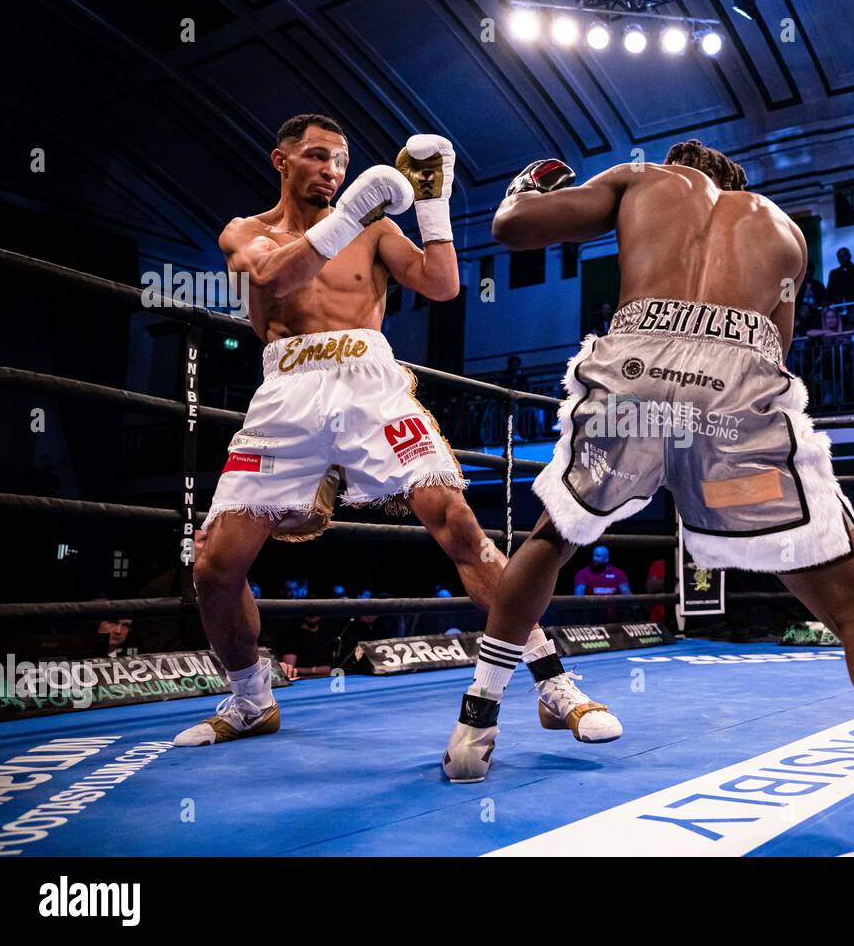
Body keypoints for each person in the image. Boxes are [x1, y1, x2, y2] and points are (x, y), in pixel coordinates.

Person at [456, 137, 854, 855]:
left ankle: (476, 723)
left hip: (634, 370)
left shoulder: (642, 179)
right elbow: (775, 354)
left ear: (681, 167)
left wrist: (528, 182)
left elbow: (513, 228)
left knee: (553, 539)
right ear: (735, 181)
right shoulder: (782, 230)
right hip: (735, 388)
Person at [175, 113, 617, 748]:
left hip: (368, 378)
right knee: (216, 565)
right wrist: (353, 211)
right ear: (282, 160)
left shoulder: (377, 228)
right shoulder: (247, 232)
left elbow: (442, 285)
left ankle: (552, 683)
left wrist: (432, 207)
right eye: (318, 158)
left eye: (341, 163)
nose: (332, 171)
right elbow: (272, 277)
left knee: (459, 526)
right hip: (285, 392)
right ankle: (250, 699)